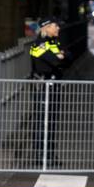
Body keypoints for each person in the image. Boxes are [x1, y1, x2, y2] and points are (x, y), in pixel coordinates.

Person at [30, 17, 66, 164]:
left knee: (51, 121)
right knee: (41, 121)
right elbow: (57, 61)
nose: (58, 28)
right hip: (43, 86)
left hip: (53, 85)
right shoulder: (40, 44)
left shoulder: (53, 43)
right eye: (55, 26)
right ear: (46, 28)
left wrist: (61, 57)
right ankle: (40, 156)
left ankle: (50, 154)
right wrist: (59, 57)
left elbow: (67, 58)